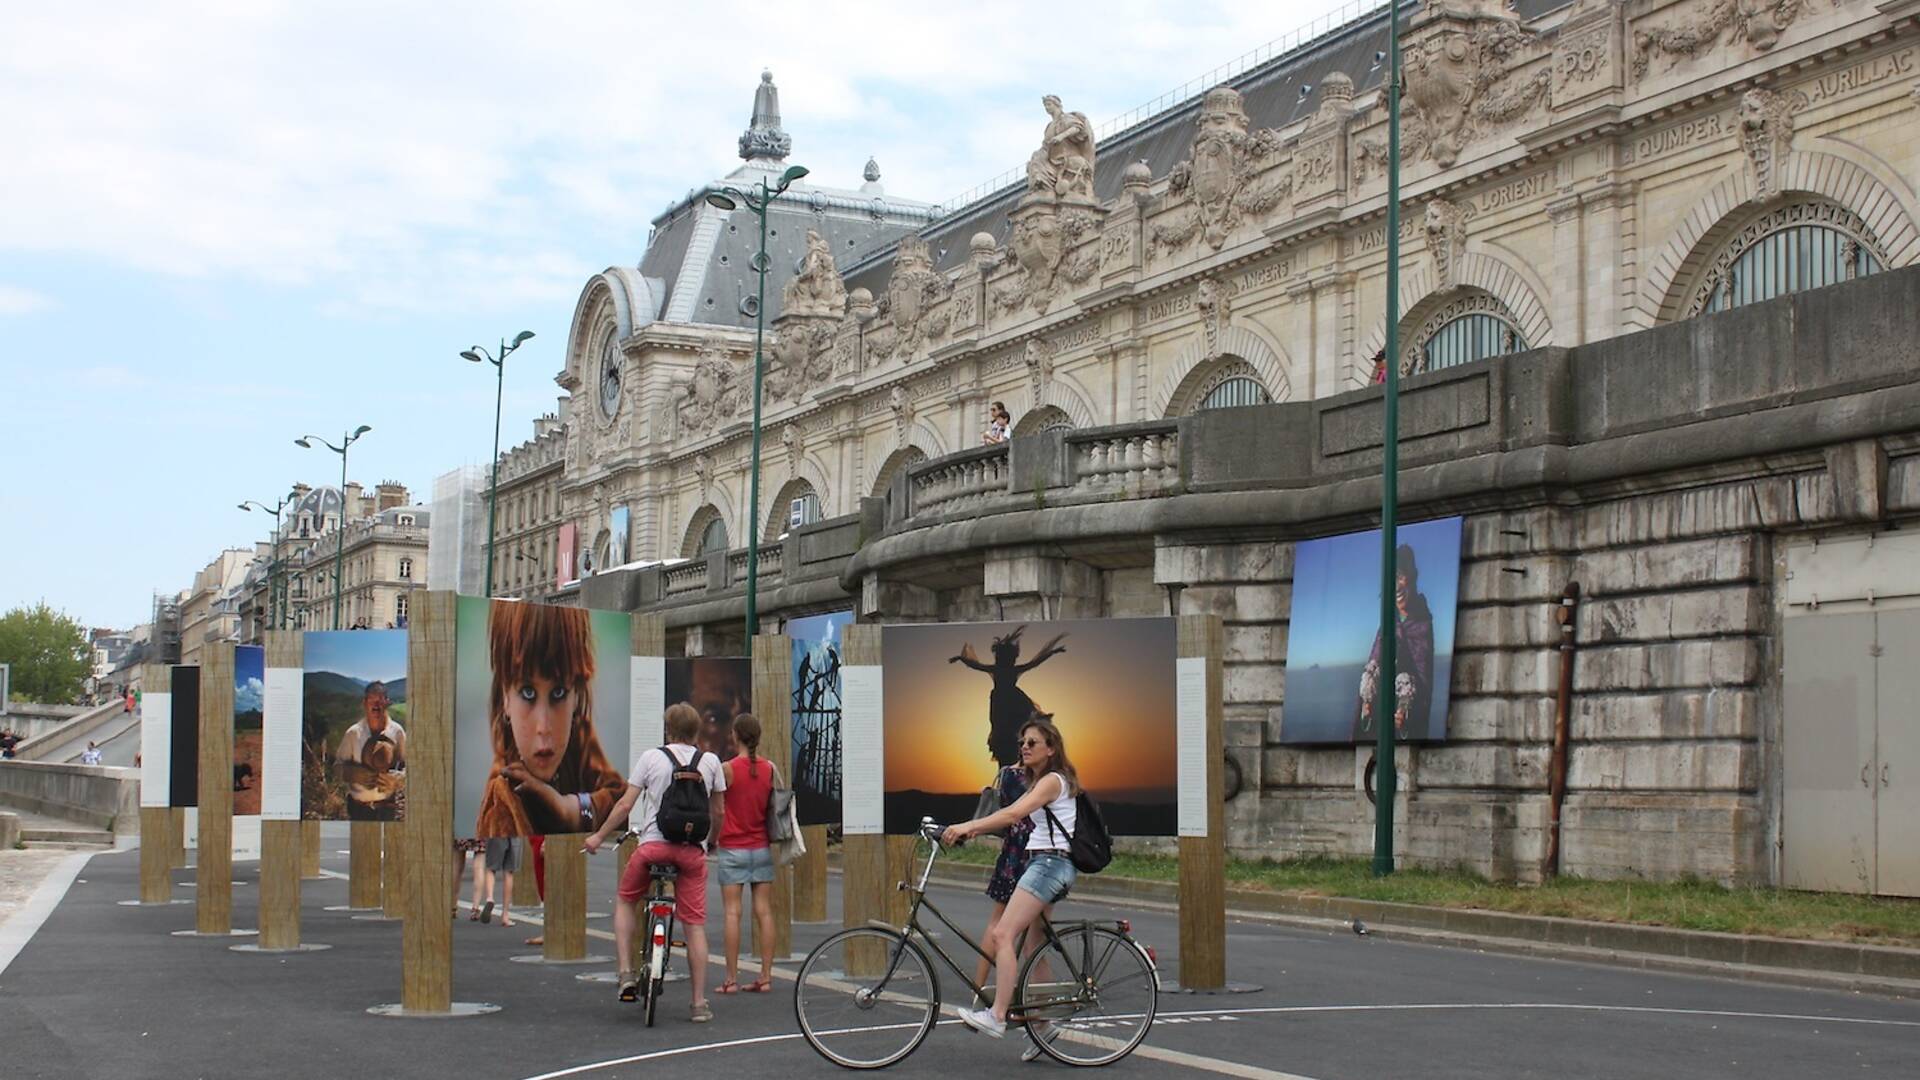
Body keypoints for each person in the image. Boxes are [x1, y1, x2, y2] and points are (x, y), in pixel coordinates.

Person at [584, 702, 727, 1023]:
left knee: (625, 901)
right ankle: (699, 1003)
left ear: (668, 729)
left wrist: (597, 836)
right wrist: (711, 842)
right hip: (691, 852)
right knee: (694, 926)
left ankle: (625, 973)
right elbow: (718, 812)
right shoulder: (711, 762)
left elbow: (625, 805)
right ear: (697, 731)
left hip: (653, 848)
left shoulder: (652, 758)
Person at [944, 718, 1081, 1046]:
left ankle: (997, 1015)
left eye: (1033, 743)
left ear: (1051, 749)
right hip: (1049, 863)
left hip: (1048, 865)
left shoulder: (1051, 781)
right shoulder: (1041, 780)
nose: (1025, 747)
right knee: (1034, 947)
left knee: (1003, 933)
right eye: (1023, 742)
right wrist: (974, 828)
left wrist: (967, 826)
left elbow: (1011, 814)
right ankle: (1044, 1026)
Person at [473, 602, 626, 837]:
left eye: (558, 693)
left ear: (576, 695)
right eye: (527, 693)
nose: (543, 727)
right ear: (505, 697)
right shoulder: (502, 797)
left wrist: (569, 809)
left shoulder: (579, 735)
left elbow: (625, 801)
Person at [714, 713, 776, 995]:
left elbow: (718, 806)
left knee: (732, 913)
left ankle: (730, 979)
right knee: (763, 912)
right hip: (761, 846)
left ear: (735, 735)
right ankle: (765, 976)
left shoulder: (727, 769)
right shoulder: (769, 768)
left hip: (732, 847)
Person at [948, 625, 1068, 766]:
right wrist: (961, 659)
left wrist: (1052, 652)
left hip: (1013, 702)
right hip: (1000, 704)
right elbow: (976, 665)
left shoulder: (1013, 669)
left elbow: (1035, 662)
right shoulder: (996, 669)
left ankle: (1021, 752)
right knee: (1001, 732)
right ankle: (1009, 759)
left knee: (1019, 727)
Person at [1354, 543, 1437, 741]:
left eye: (1400, 575)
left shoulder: (1422, 624)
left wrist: (1407, 715)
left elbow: (1424, 685)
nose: (1397, 585)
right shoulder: (1387, 624)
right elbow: (1373, 666)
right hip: (1377, 727)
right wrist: (1366, 707)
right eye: (1392, 578)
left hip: (1401, 731)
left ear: (1412, 577)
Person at [973, 757, 1034, 999]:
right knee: (1031, 932)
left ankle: (978, 987)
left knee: (997, 922)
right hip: (1037, 853)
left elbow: (1008, 810)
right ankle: (1026, 994)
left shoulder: (1007, 773)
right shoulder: (1045, 777)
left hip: (1012, 853)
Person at [335, 681, 406, 821]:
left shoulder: (397, 732)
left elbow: (410, 766)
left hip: (387, 809)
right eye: (372, 700)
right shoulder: (353, 733)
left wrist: (399, 779)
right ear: (365, 702)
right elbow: (336, 767)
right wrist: (352, 773)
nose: (376, 705)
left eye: (380, 700)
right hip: (358, 809)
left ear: (387, 702)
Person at [478, 837, 518, 927]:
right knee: (509, 871)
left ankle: (490, 898)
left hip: (496, 831)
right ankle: (505, 915)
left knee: (491, 869)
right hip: (514, 831)